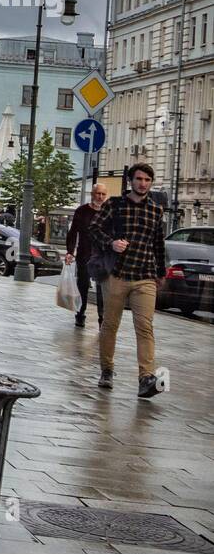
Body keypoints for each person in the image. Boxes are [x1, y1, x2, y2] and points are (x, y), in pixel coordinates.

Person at [89, 163, 167, 398]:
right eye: (139, 179)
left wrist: (160, 273)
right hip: (117, 275)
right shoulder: (115, 204)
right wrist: (110, 243)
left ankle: (146, 377)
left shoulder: (156, 210)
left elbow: (158, 244)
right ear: (130, 181)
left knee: (145, 327)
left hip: (145, 276)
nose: (143, 183)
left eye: (147, 180)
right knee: (110, 325)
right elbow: (93, 228)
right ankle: (107, 370)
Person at [65, 183, 108, 329]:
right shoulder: (82, 211)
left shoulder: (108, 212)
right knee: (82, 285)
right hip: (84, 253)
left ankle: (102, 318)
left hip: (102, 255)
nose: (100, 197)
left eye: (103, 194)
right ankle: (80, 314)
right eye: (98, 194)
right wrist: (70, 252)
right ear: (92, 194)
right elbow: (73, 233)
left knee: (102, 287)